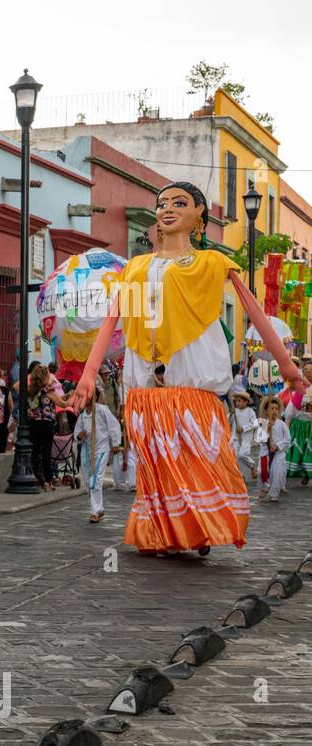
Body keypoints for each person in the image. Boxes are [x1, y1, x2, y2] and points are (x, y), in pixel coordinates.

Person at [73, 181, 308, 555]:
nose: (167, 209)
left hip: (192, 388)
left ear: (200, 213)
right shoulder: (136, 267)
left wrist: (286, 365)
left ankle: (198, 529)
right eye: (161, 203)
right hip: (146, 391)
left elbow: (253, 310)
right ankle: (162, 534)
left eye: (179, 203)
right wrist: (88, 373)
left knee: (195, 462)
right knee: (156, 469)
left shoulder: (210, 263)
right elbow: (115, 318)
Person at [75, 393, 122, 523]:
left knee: (95, 481)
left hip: (101, 450)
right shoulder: (83, 416)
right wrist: (80, 435)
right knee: (87, 481)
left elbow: (114, 426)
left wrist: (115, 442)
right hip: (86, 451)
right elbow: (77, 434)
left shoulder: (102, 410)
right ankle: (99, 508)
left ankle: (94, 512)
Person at [27, 364, 61, 491]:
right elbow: (62, 404)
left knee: (34, 453)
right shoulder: (48, 391)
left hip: (33, 424)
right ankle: (47, 482)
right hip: (47, 424)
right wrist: (71, 397)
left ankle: (35, 479)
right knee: (47, 454)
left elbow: (15, 387)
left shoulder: (30, 390)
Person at [262, 396, 291, 503]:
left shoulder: (282, 424)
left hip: (279, 452)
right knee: (264, 472)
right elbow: (258, 438)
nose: (274, 411)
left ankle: (274, 493)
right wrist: (267, 430)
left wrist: (277, 445)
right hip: (266, 452)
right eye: (271, 409)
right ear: (266, 411)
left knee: (277, 471)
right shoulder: (263, 424)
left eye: (276, 409)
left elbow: (288, 439)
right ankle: (265, 487)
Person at [285, 389, 312, 486]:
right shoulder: (296, 396)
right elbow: (288, 415)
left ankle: (308, 475)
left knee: (308, 454)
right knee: (298, 454)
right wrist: (286, 430)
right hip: (297, 430)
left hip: (310, 429)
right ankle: (304, 473)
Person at [231, 390, 259, 484]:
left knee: (242, 454)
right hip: (235, 438)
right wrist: (231, 413)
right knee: (236, 457)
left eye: (240, 401)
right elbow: (227, 420)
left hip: (246, 438)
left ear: (246, 402)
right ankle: (241, 475)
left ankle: (252, 465)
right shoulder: (235, 412)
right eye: (237, 401)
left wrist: (243, 428)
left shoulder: (250, 411)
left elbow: (255, 424)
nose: (238, 403)